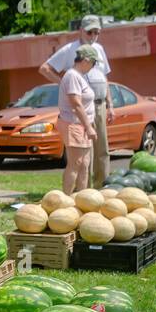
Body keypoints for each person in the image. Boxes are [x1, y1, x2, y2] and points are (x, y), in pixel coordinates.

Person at [40, 15, 113, 188]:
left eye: (97, 32)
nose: (93, 35)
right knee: (81, 157)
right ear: (81, 30)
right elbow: (44, 68)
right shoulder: (70, 49)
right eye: (89, 32)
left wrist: (110, 104)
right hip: (81, 109)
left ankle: (102, 188)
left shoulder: (99, 49)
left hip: (99, 104)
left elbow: (105, 77)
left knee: (101, 150)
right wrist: (63, 83)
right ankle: (83, 191)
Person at [56, 46, 99, 196]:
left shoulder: (79, 76)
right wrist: (89, 127)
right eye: (94, 63)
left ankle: (83, 198)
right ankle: (66, 200)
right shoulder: (72, 75)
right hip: (73, 124)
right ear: (86, 60)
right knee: (75, 164)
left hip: (81, 126)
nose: (94, 67)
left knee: (85, 164)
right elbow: (76, 104)